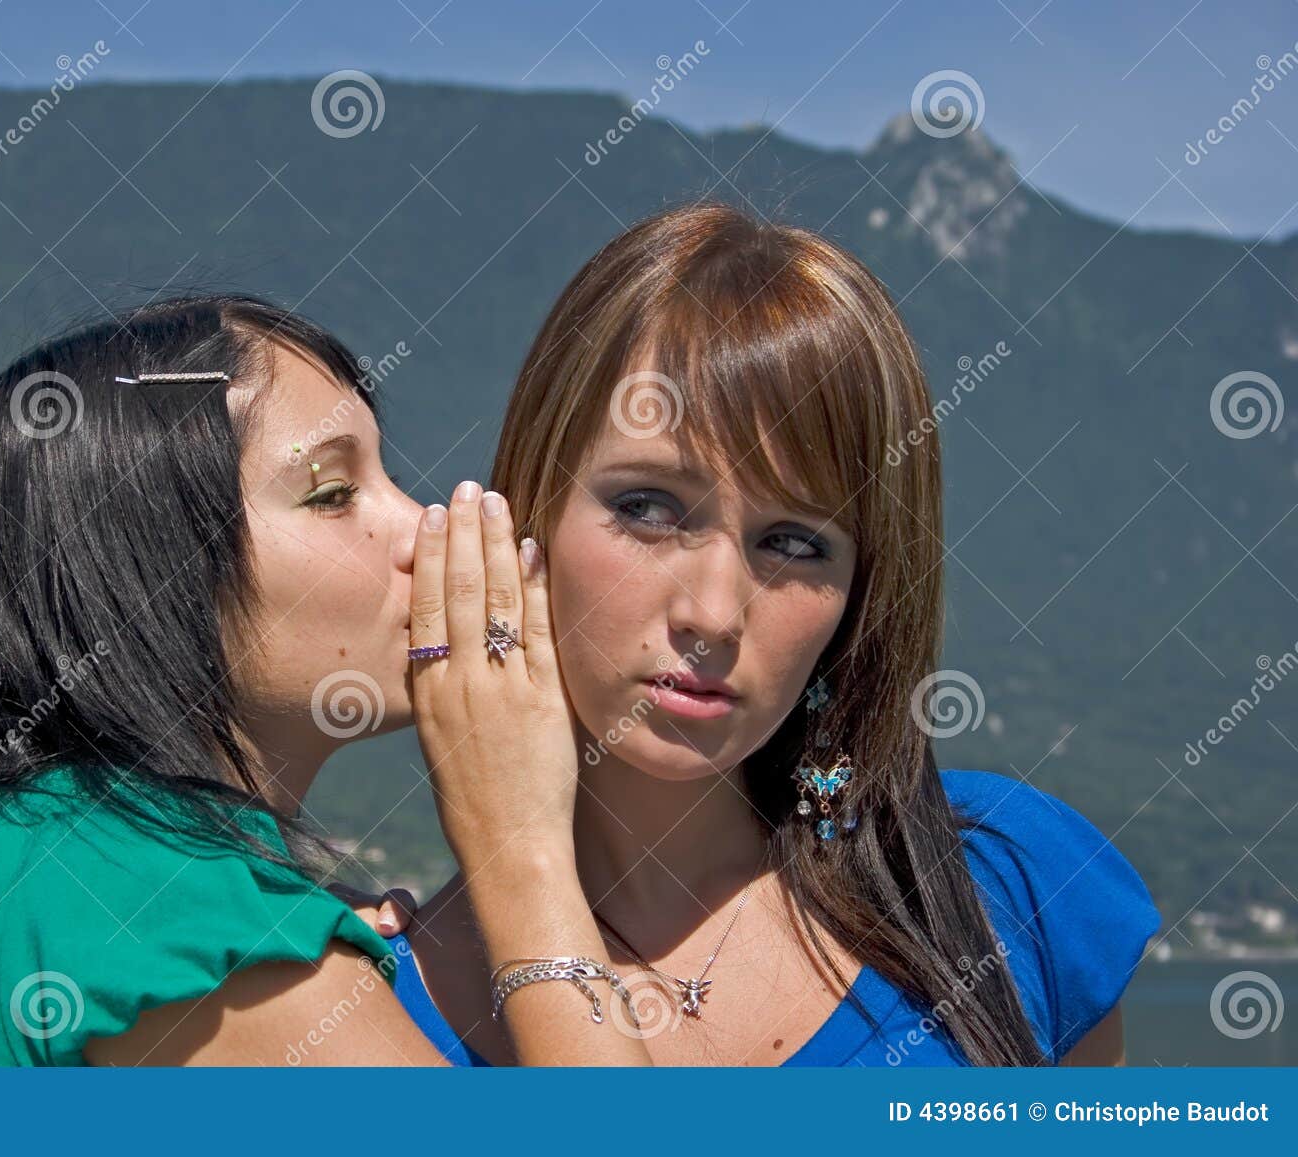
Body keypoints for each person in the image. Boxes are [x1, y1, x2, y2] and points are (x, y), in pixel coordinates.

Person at [390, 203, 1161, 1067]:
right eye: (646, 507)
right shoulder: (363, 1017)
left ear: (857, 594)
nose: (714, 613)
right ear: (529, 504)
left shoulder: (1012, 886)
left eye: (795, 542)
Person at [0, 293, 654, 1066]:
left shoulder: (56, 852)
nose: (424, 526)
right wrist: (522, 854)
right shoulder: (163, 903)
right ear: (150, 570)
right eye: (330, 492)